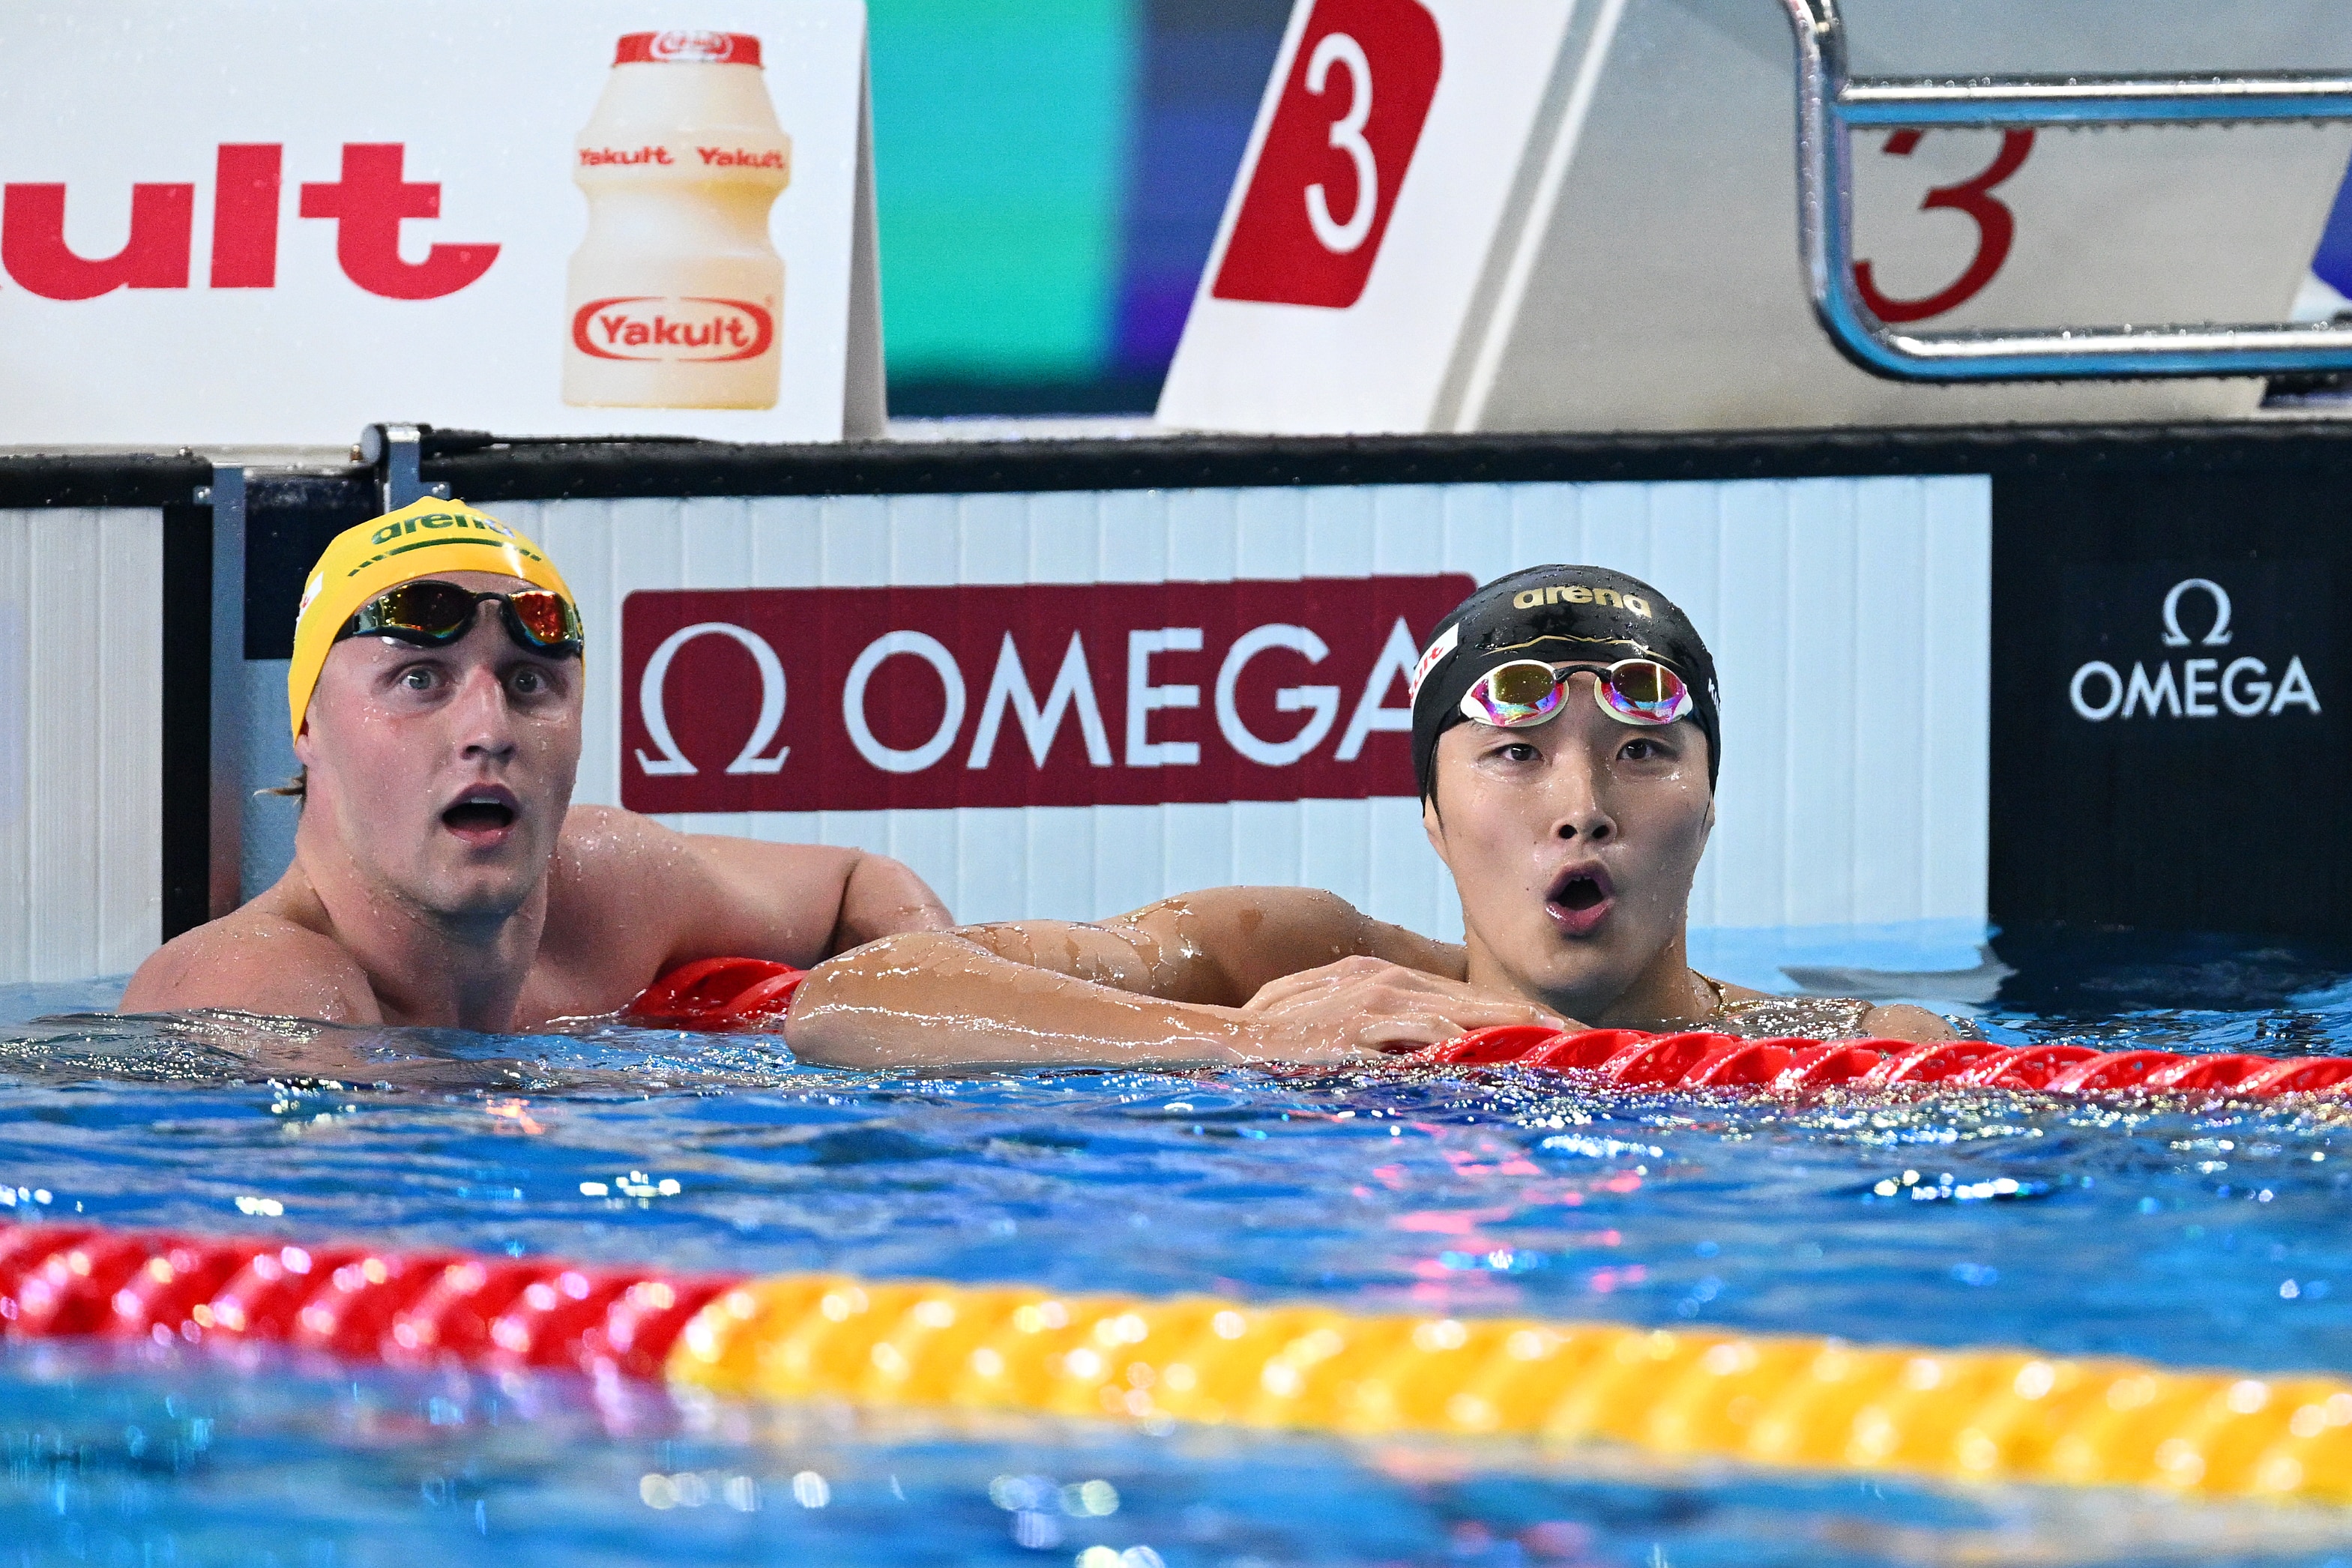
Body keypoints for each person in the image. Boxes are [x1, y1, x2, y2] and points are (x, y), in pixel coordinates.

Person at [784, 565, 1953, 1068]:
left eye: (1643, 754)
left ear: (1709, 806)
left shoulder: (1849, 1053)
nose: (1581, 809)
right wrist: (1231, 1043)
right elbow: (855, 994)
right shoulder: (1283, 965)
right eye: (1515, 756)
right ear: (1431, 817)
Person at [121, 499, 950, 1029]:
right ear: (306, 725)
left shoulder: (607, 888)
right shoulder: (258, 985)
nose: (490, 729)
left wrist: (937, 998)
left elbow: (858, 884)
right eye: (419, 680)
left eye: (529, 682)